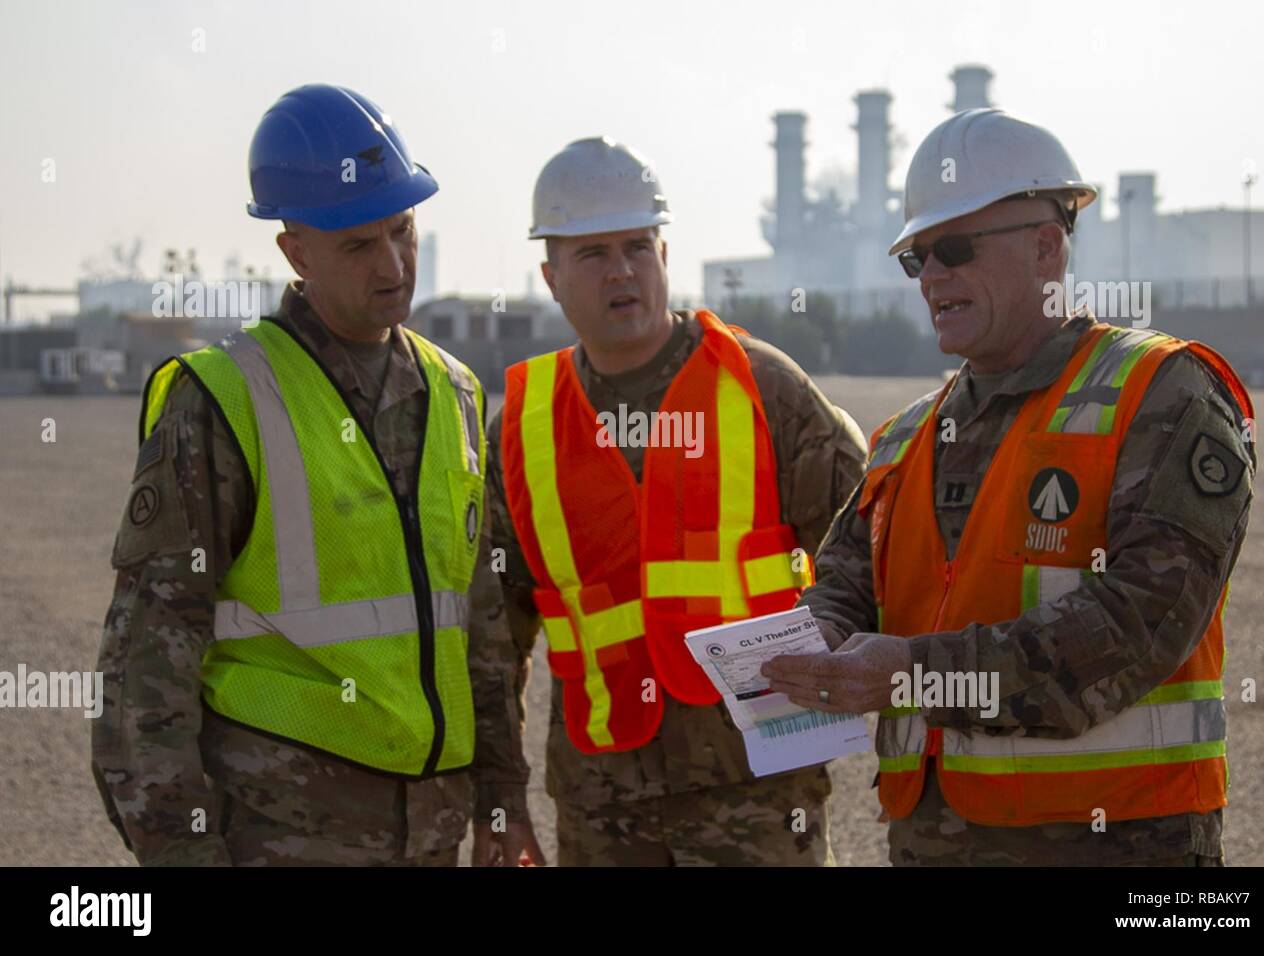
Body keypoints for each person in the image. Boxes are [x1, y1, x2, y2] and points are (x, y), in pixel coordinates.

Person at [764, 108, 1256, 867]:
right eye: (916, 258)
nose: (931, 276)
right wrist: (814, 642)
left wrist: (910, 671)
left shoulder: (1161, 397)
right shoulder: (906, 438)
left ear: (1046, 247)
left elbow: (1135, 629)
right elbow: (842, 584)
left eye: (954, 249)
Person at [92, 84, 504, 866]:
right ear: (295, 251)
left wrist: (501, 799)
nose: (393, 265)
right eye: (358, 244)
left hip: (433, 830)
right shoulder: (222, 398)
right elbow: (146, 659)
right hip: (283, 831)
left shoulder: (454, 392)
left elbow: (477, 622)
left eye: (404, 231)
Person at [470, 137, 868, 866]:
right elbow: (493, 637)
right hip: (602, 806)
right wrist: (500, 795)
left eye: (638, 246)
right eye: (592, 254)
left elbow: (870, 550)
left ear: (664, 255)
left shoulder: (760, 387)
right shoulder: (523, 430)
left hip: (761, 797)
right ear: (551, 276)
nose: (622, 270)